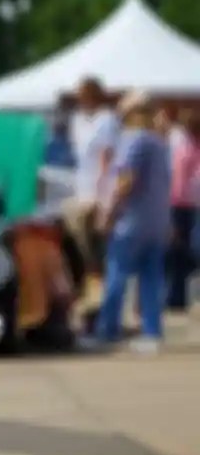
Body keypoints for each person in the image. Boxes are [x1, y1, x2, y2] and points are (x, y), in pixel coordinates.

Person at [89, 91, 172, 354]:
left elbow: (126, 180)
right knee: (151, 278)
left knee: (117, 274)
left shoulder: (133, 140)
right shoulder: (160, 143)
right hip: (156, 220)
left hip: (132, 220)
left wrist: (108, 213)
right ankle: (152, 331)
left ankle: (107, 330)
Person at [65, 77, 121, 331]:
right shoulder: (77, 120)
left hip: (99, 195)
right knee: (83, 256)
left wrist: (102, 200)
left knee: (96, 258)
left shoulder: (107, 119)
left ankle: (99, 315)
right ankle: (89, 310)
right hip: (81, 190)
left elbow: (106, 158)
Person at [168, 110, 200, 311]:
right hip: (181, 205)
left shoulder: (183, 146)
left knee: (187, 252)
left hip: (186, 205)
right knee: (179, 253)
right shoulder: (182, 145)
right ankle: (176, 298)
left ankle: (178, 297)